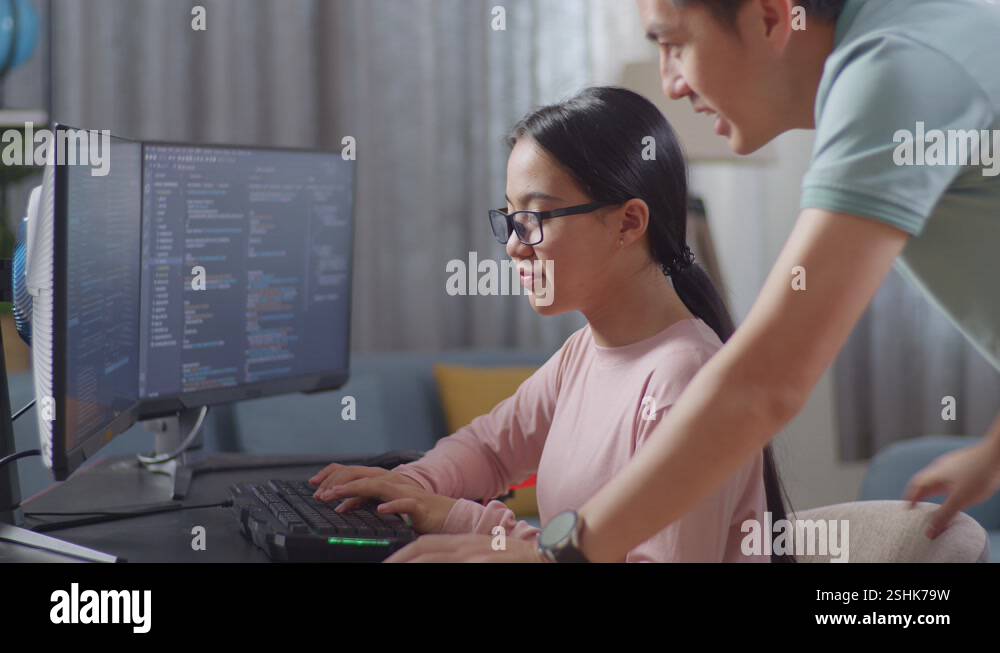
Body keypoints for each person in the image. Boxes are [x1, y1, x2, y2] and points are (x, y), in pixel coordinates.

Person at [382, 0, 1000, 562]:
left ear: (768, 16)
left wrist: (549, 553)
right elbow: (492, 447)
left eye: (674, 43)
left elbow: (763, 387)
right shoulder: (918, 39)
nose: (672, 84)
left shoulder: (892, 71)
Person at [310, 86, 794, 562]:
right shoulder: (585, 352)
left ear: (628, 223)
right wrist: (412, 485)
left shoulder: (683, 379)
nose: (515, 245)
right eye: (511, 217)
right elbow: (490, 448)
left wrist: (467, 523)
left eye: (537, 216)